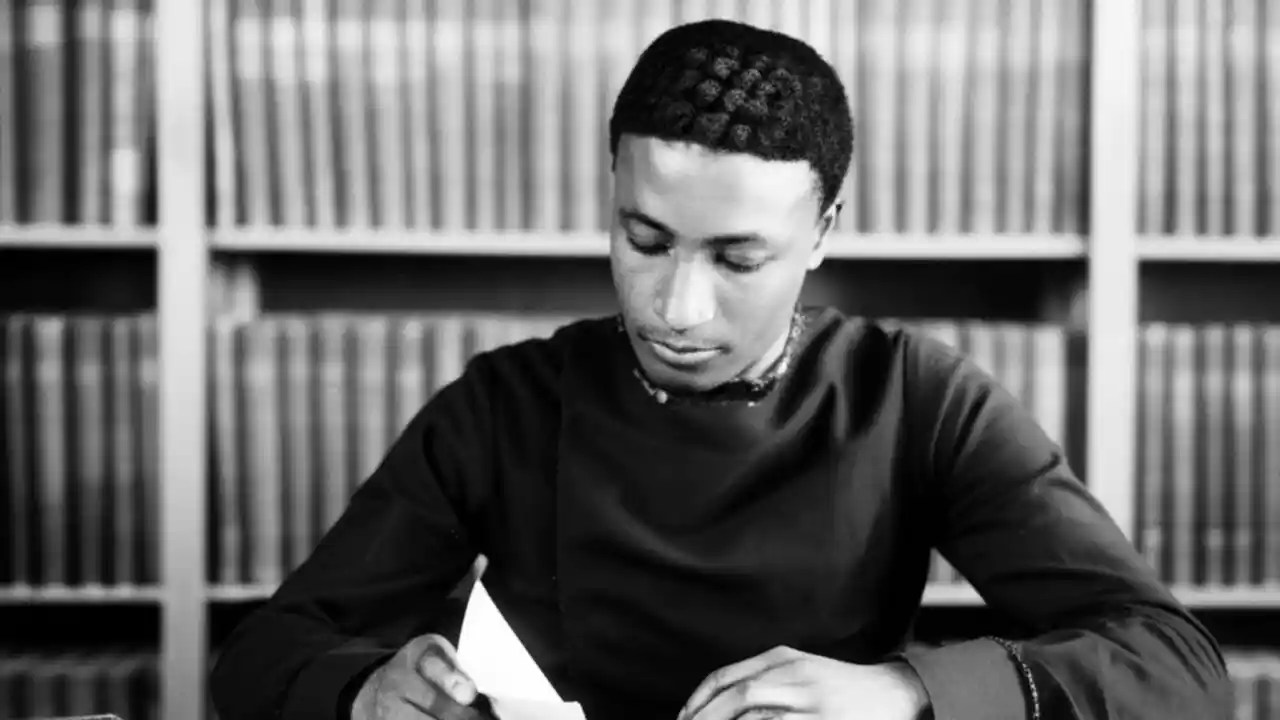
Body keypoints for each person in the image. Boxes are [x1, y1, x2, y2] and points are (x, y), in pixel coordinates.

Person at [210, 18, 1232, 720]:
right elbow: (262, 657)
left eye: (737, 260)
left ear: (823, 232)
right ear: (610, 195)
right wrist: (363, 693)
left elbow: (1177, 670)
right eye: (643, 239)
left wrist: (903, 693)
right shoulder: (504, 405)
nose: (674, 309)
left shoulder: (916, 398)